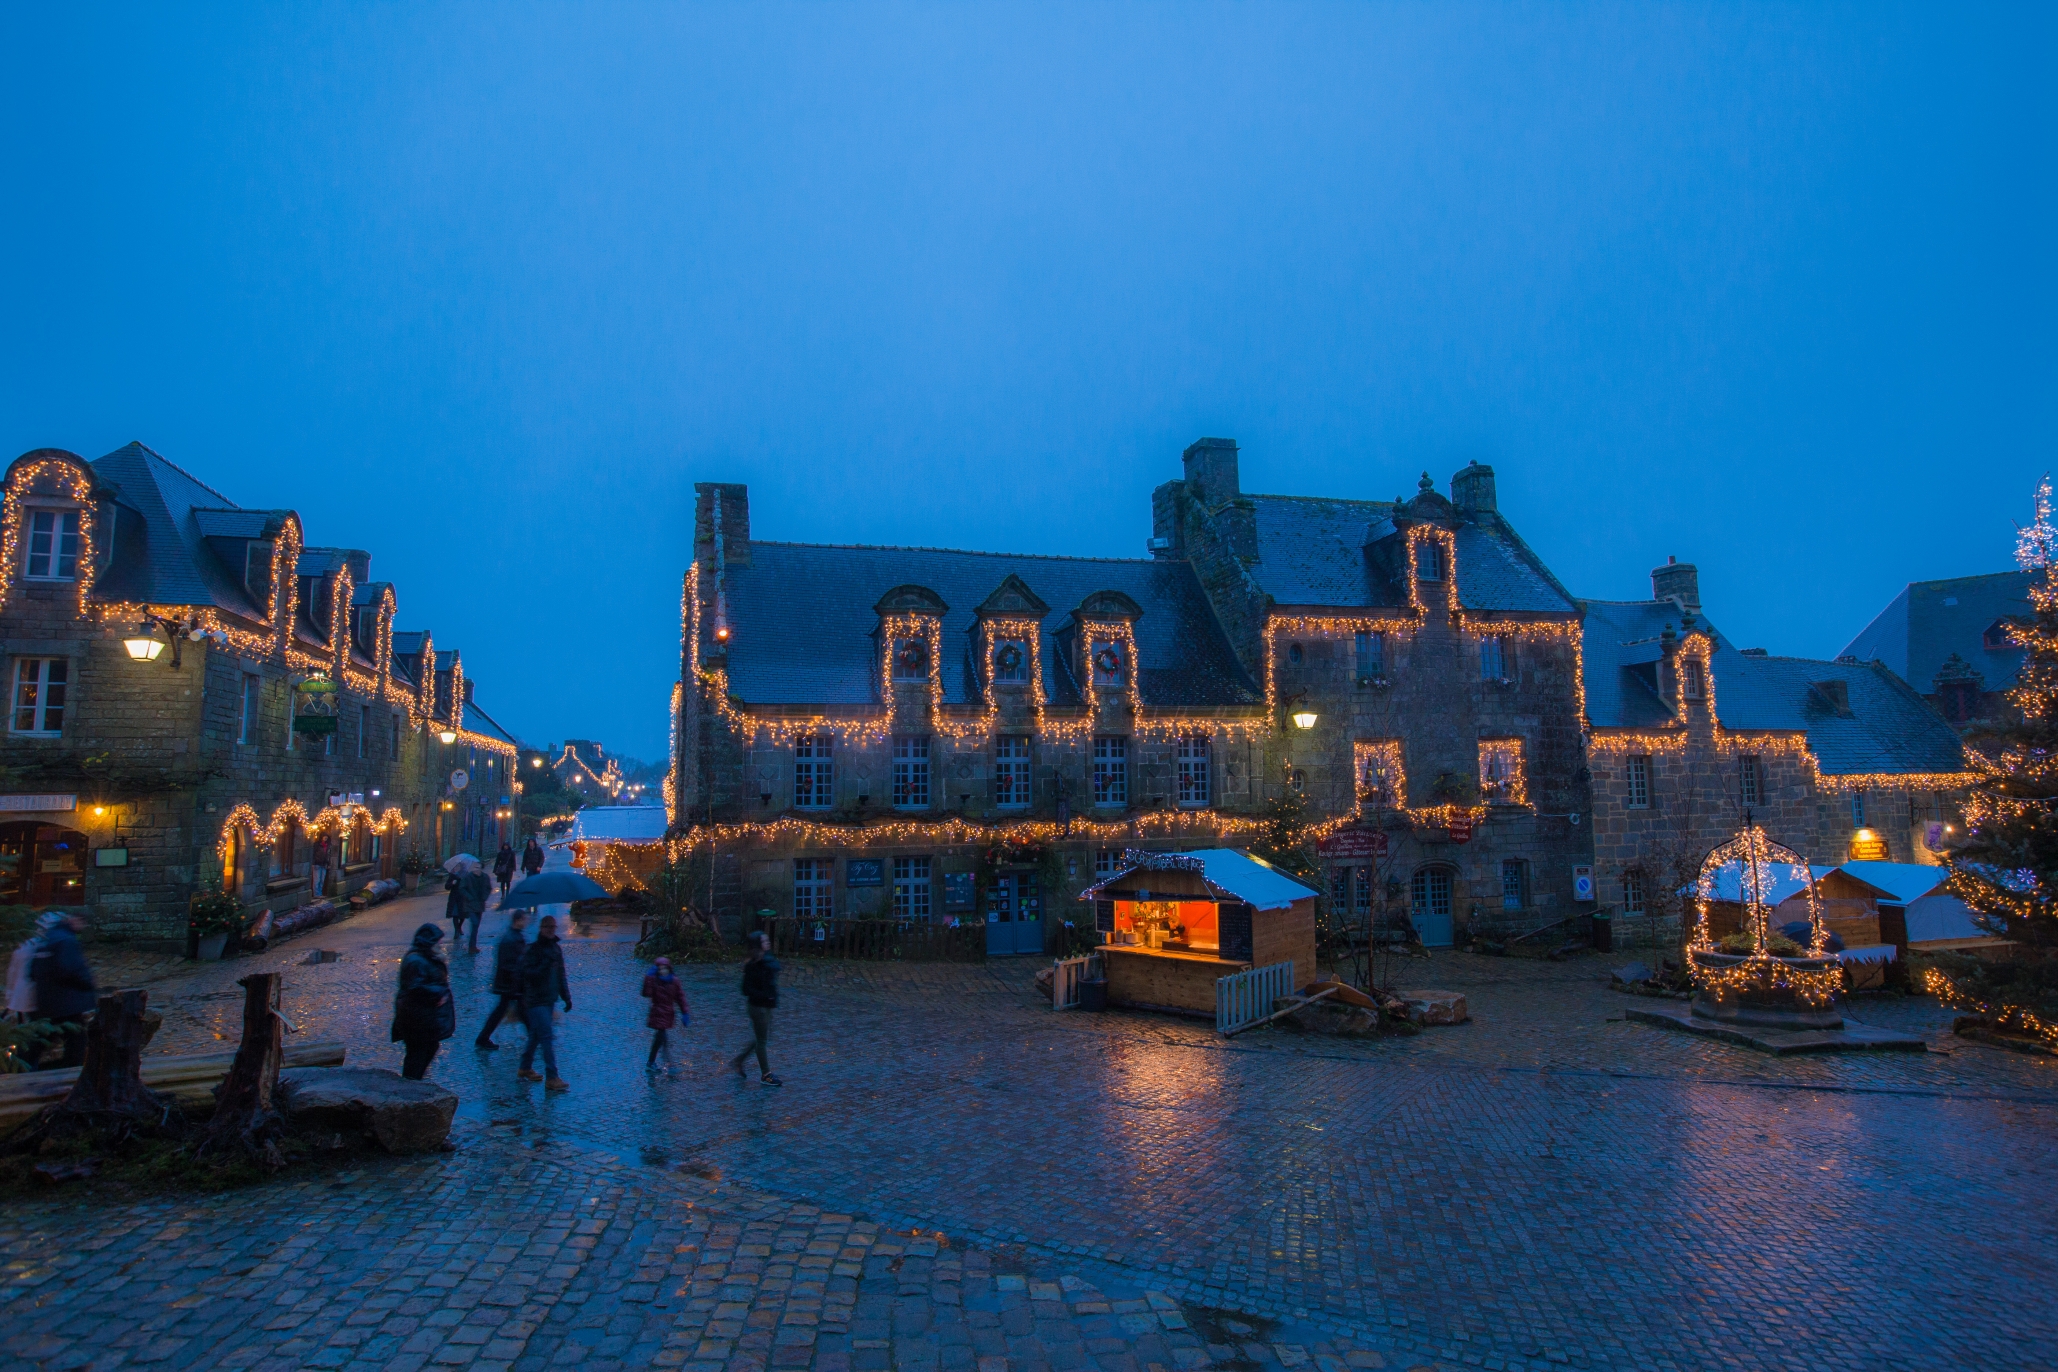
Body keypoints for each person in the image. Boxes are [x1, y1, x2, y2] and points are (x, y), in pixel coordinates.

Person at [29, 912, 96, 1069]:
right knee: (76, 1043)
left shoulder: (46, 939)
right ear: (72, 919)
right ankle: (70, 1074)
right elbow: (72, 969)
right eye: (82, 922)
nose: (83, 927)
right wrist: (87, 984)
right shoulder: (66, 940)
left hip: (48, 1002)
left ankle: (26, 1069)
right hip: (67, 1003)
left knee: (40, 1041)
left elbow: (32, 972)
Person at [391, 922, 455, 1079]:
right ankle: (410, 1086)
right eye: (437, 941)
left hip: (423, 1017)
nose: (441, 944)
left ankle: (413, 1082)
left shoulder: (425, 958)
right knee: (417, 1054)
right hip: (416, 1019)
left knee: (428, 1048)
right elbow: (415, 988)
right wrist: (438, 994)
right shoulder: (416, 961)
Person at [517, 913, 571, 1092]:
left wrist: (566, 997)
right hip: (535, 1000)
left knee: (536, 1034)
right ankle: (552, 1077)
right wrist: (543, 966)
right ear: (541, 929)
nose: (550, 930)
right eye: (547, 927)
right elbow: (528, 974)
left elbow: (561, 975)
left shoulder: (556, 949)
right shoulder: (533, 950)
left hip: (549, 999)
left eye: (552, 927)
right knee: (546, 1036)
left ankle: (525, 1067)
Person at [728, 931, 781, 1086]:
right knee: (762, 1040)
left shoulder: (767, 960)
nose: (768, 942)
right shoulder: (753, 965)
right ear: (758, 945)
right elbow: (745, 989)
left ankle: (739, 1061)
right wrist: (765, 996)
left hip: (767, 1006)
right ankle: (766, 1074)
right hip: (758, 1007)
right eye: (764, 941)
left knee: (761, 1038)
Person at [475, 908, 529, 1049]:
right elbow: (510, 964)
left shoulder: (514, 936)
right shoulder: (512, 939)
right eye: (524, 919)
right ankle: (537, 1037)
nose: (526, 922)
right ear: (517, 921)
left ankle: (483, 1038)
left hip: (510, 983)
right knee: (515, 1010)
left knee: (508, 1010)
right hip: (510, 983)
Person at [641, 956, 689, 1076]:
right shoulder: (654, 980)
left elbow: (680, 997)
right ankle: (670, 1065)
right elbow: (646, 993)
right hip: (657, 1013)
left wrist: (685, 1012)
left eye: (664, 969)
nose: (662, 971)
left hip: (668, 1013)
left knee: (659, 1039)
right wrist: (648, 978)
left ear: (669, 968)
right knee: (663, 1038)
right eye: (660, 969)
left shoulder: (674, 981)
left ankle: (651, 1062)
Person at [459, 861, 492, 953]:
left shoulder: (485, 877)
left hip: (480, 904)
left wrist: (484, 897)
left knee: (476, 926)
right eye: (474, 868)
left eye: (478, 868)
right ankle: (471, 946)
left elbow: (488, 888)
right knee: (474, 923)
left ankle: (473, 946)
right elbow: (461, 888)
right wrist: (469, 897)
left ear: (481, 868)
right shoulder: (468, 877)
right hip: (470, 905)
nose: (476, 870)